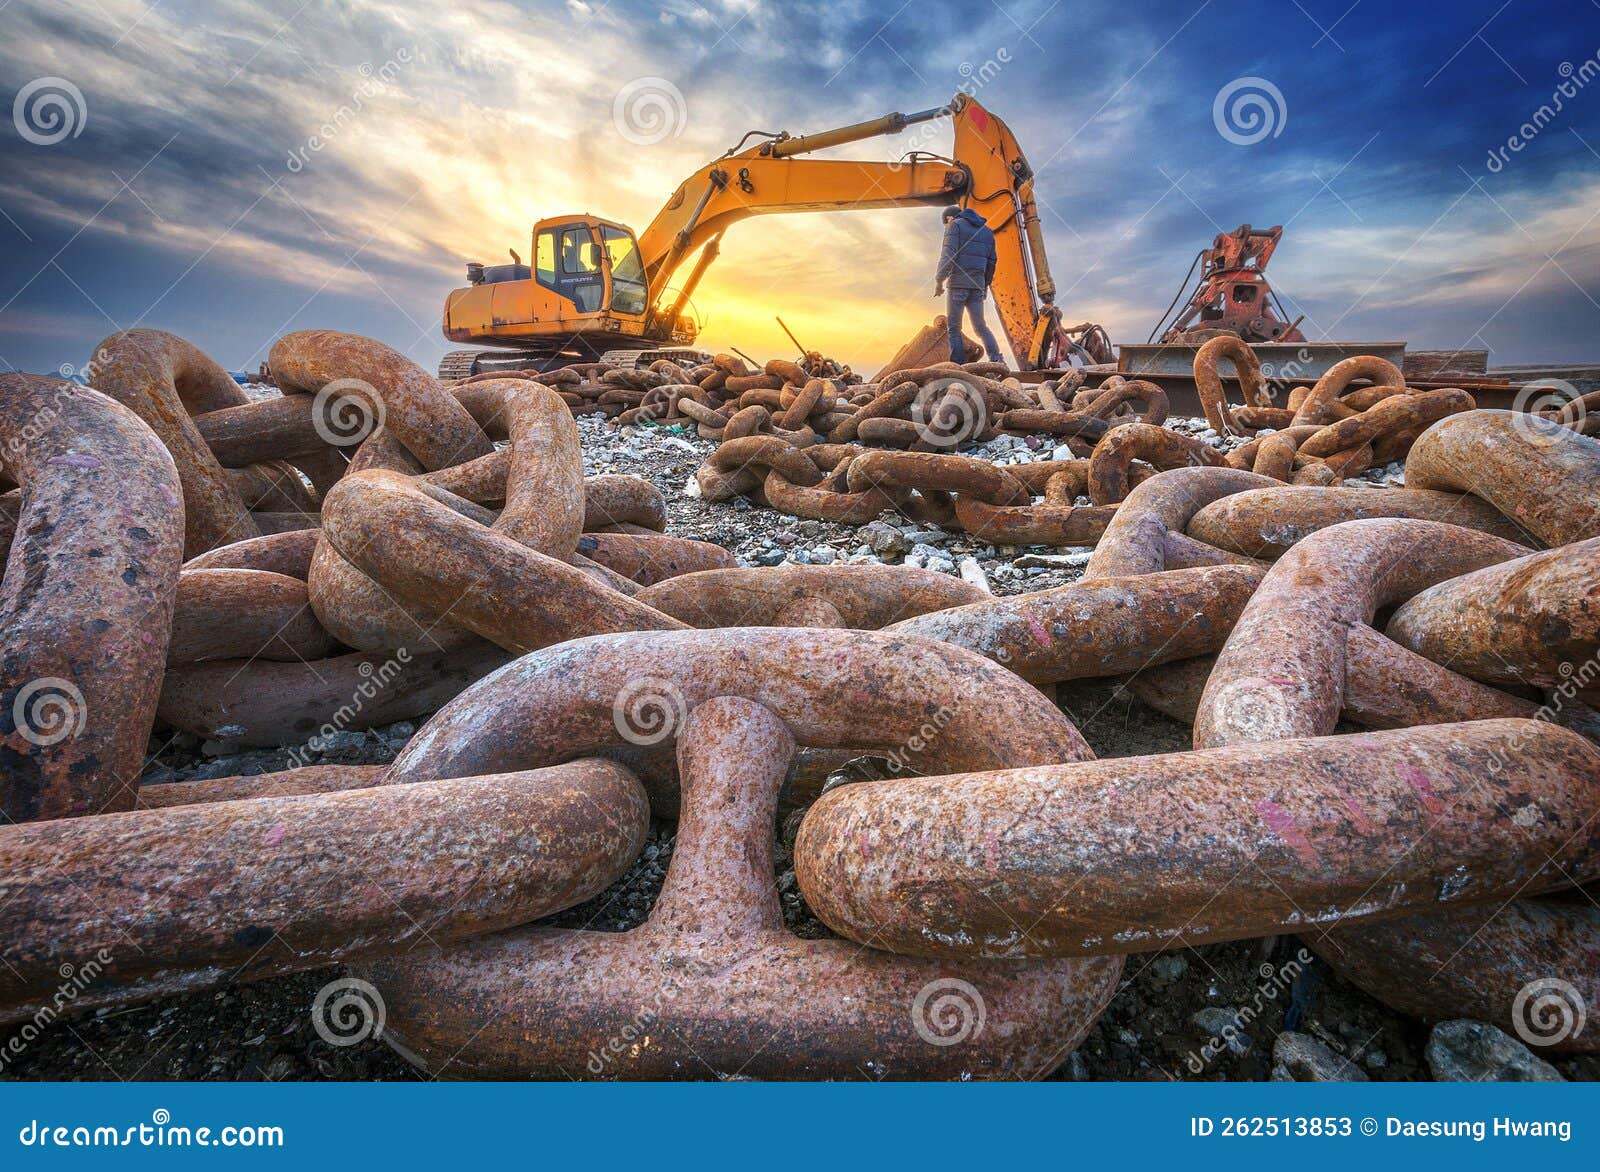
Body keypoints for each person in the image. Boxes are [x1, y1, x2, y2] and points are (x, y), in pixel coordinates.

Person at [934, 205, 1002, 363]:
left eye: (946, 223)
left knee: (954, 328)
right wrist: (984, 286)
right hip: (977, 286)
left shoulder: (954, 226)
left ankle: (958, 366)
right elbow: (992, 263)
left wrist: (939, 281)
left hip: (958, 284)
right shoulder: (987, 232)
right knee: (980, 326)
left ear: (949, 218)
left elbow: (948, 255)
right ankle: (997, 359)